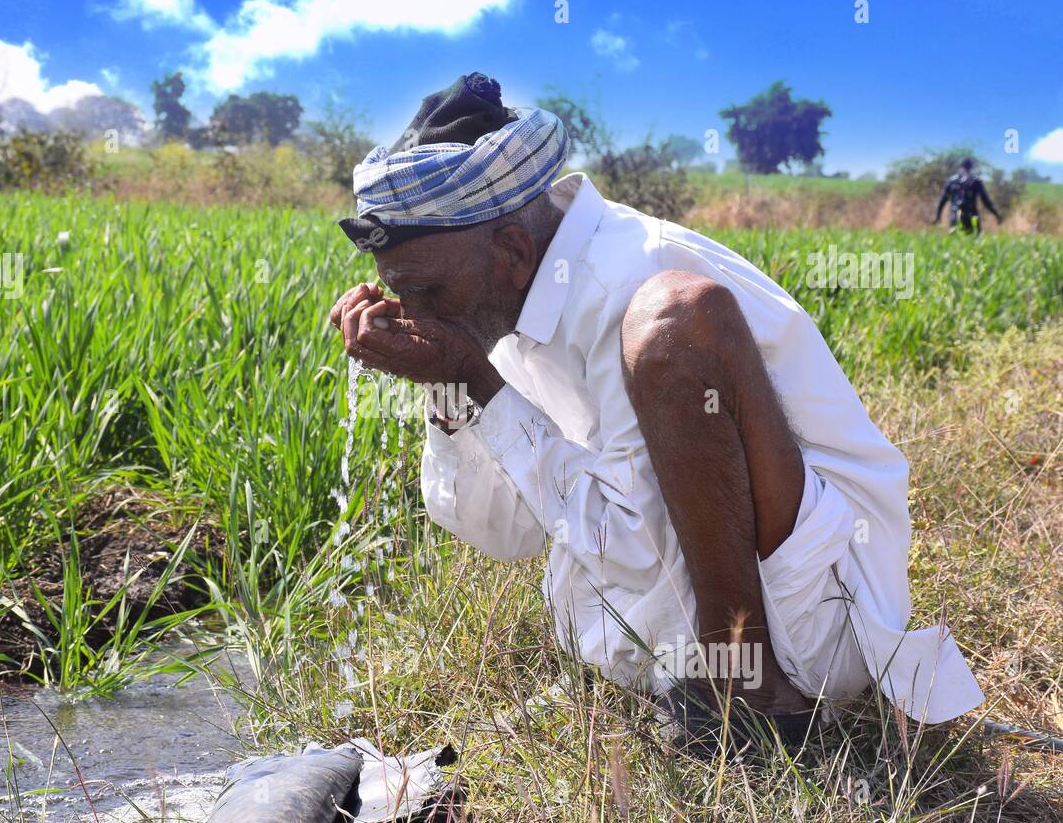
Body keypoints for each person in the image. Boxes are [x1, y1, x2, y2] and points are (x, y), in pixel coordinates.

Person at [329, 73, 983, 738]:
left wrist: (476, 379)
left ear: (513, 252)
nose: (417, 315)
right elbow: (506, 534)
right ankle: (690, 674)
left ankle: (751, 690)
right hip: (682, 601)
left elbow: (639, 552)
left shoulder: (630, 280)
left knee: (675, 324)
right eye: (402, 295)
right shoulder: (497, 297)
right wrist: (451, 388)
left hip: (817, 611)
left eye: (428, 291)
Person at [934, 157, 1002, 233]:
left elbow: (942, 201)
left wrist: (937, 216)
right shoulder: (976, 181)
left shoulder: (951, 180)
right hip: (971, 218)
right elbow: (986, 201)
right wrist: (996, 214)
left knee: (954, 243)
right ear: (971, 168)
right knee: (974, 243)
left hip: (955, 218)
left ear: (960, 167)